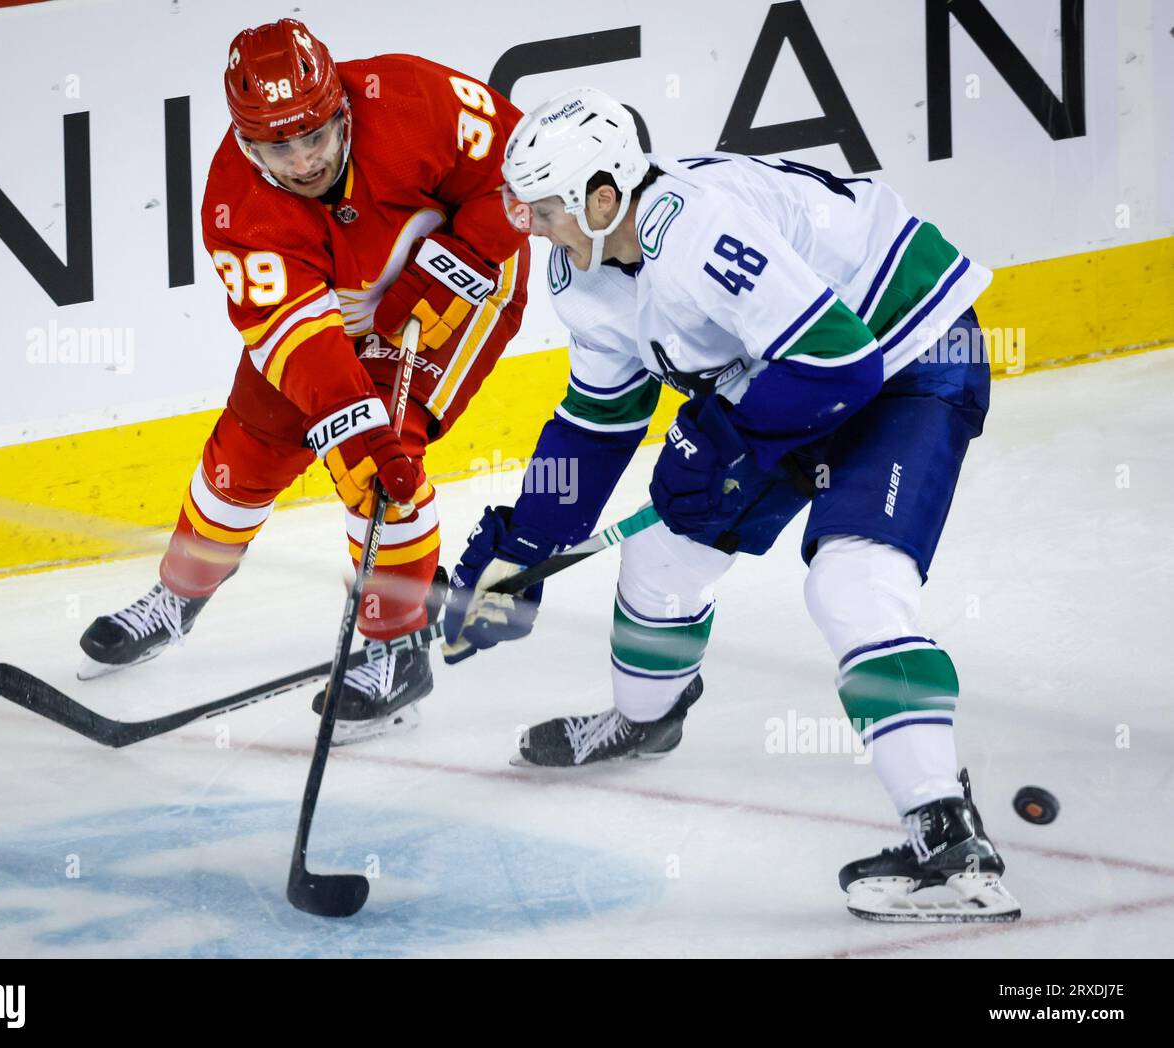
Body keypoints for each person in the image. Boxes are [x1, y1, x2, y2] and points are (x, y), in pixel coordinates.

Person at [442, 87, 1018, 921]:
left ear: (604, 198)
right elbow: (598, 422)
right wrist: (520, 550)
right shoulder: (583, 263)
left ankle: (948, 836)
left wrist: (732, 450)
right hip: (791, 367)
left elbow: (844, 366)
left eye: (544, 210)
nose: (529, 228)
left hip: (906, 356)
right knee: (665, 552)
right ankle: (646, 719)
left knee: (851, 582)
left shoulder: (700, 230)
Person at [78, 19, 529, 742]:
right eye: (276, 147)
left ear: (341, 107)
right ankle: (178, 595)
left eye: (313, 136)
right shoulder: (236, 207)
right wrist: (360, 429)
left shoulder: (414, 96)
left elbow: (521, 177)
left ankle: (394, 648)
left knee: (385, 468)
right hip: (337, 310)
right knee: (249, 445)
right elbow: (309, 354)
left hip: (460, 282)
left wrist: (440, 271)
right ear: (244, 140)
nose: (302, 160)